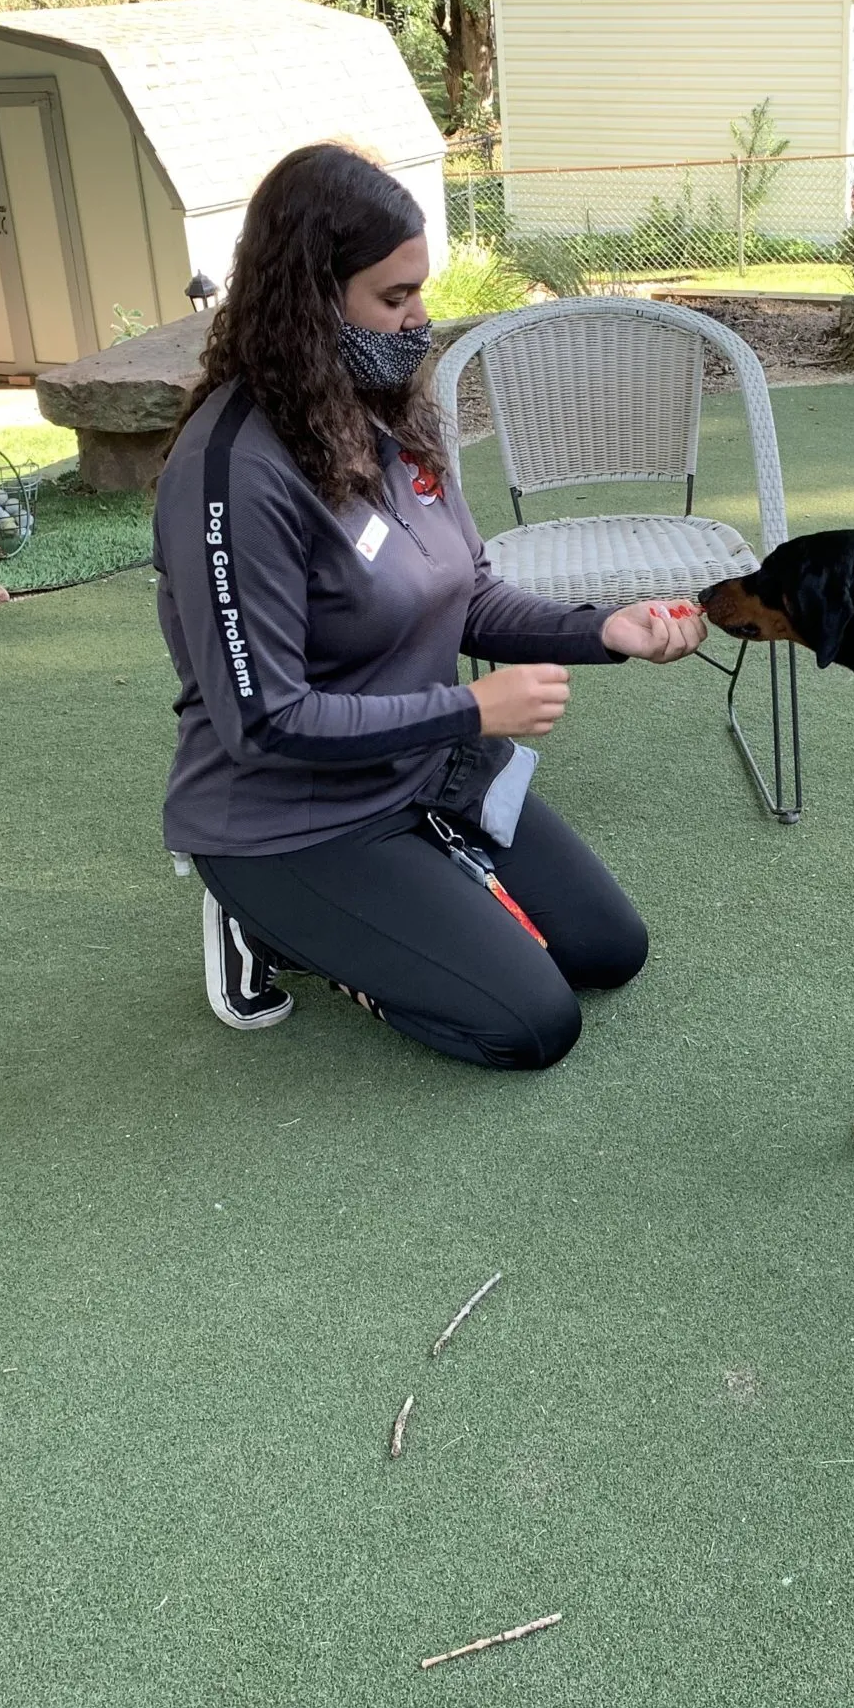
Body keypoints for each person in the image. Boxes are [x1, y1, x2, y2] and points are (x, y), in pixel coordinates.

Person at [153, 143, 707, 1068]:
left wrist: (603, 629)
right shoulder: (231, 476)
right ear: (308, 298)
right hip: (289, 815)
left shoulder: (388, 411)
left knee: (611, 953)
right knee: (532, 1026)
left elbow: (467, 592)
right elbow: (263, 721)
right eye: (393, 297)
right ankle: (267, 922)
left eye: (420, 291)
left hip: (421, 769)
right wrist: (472, 710)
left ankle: (402, 891)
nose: (420, 321)